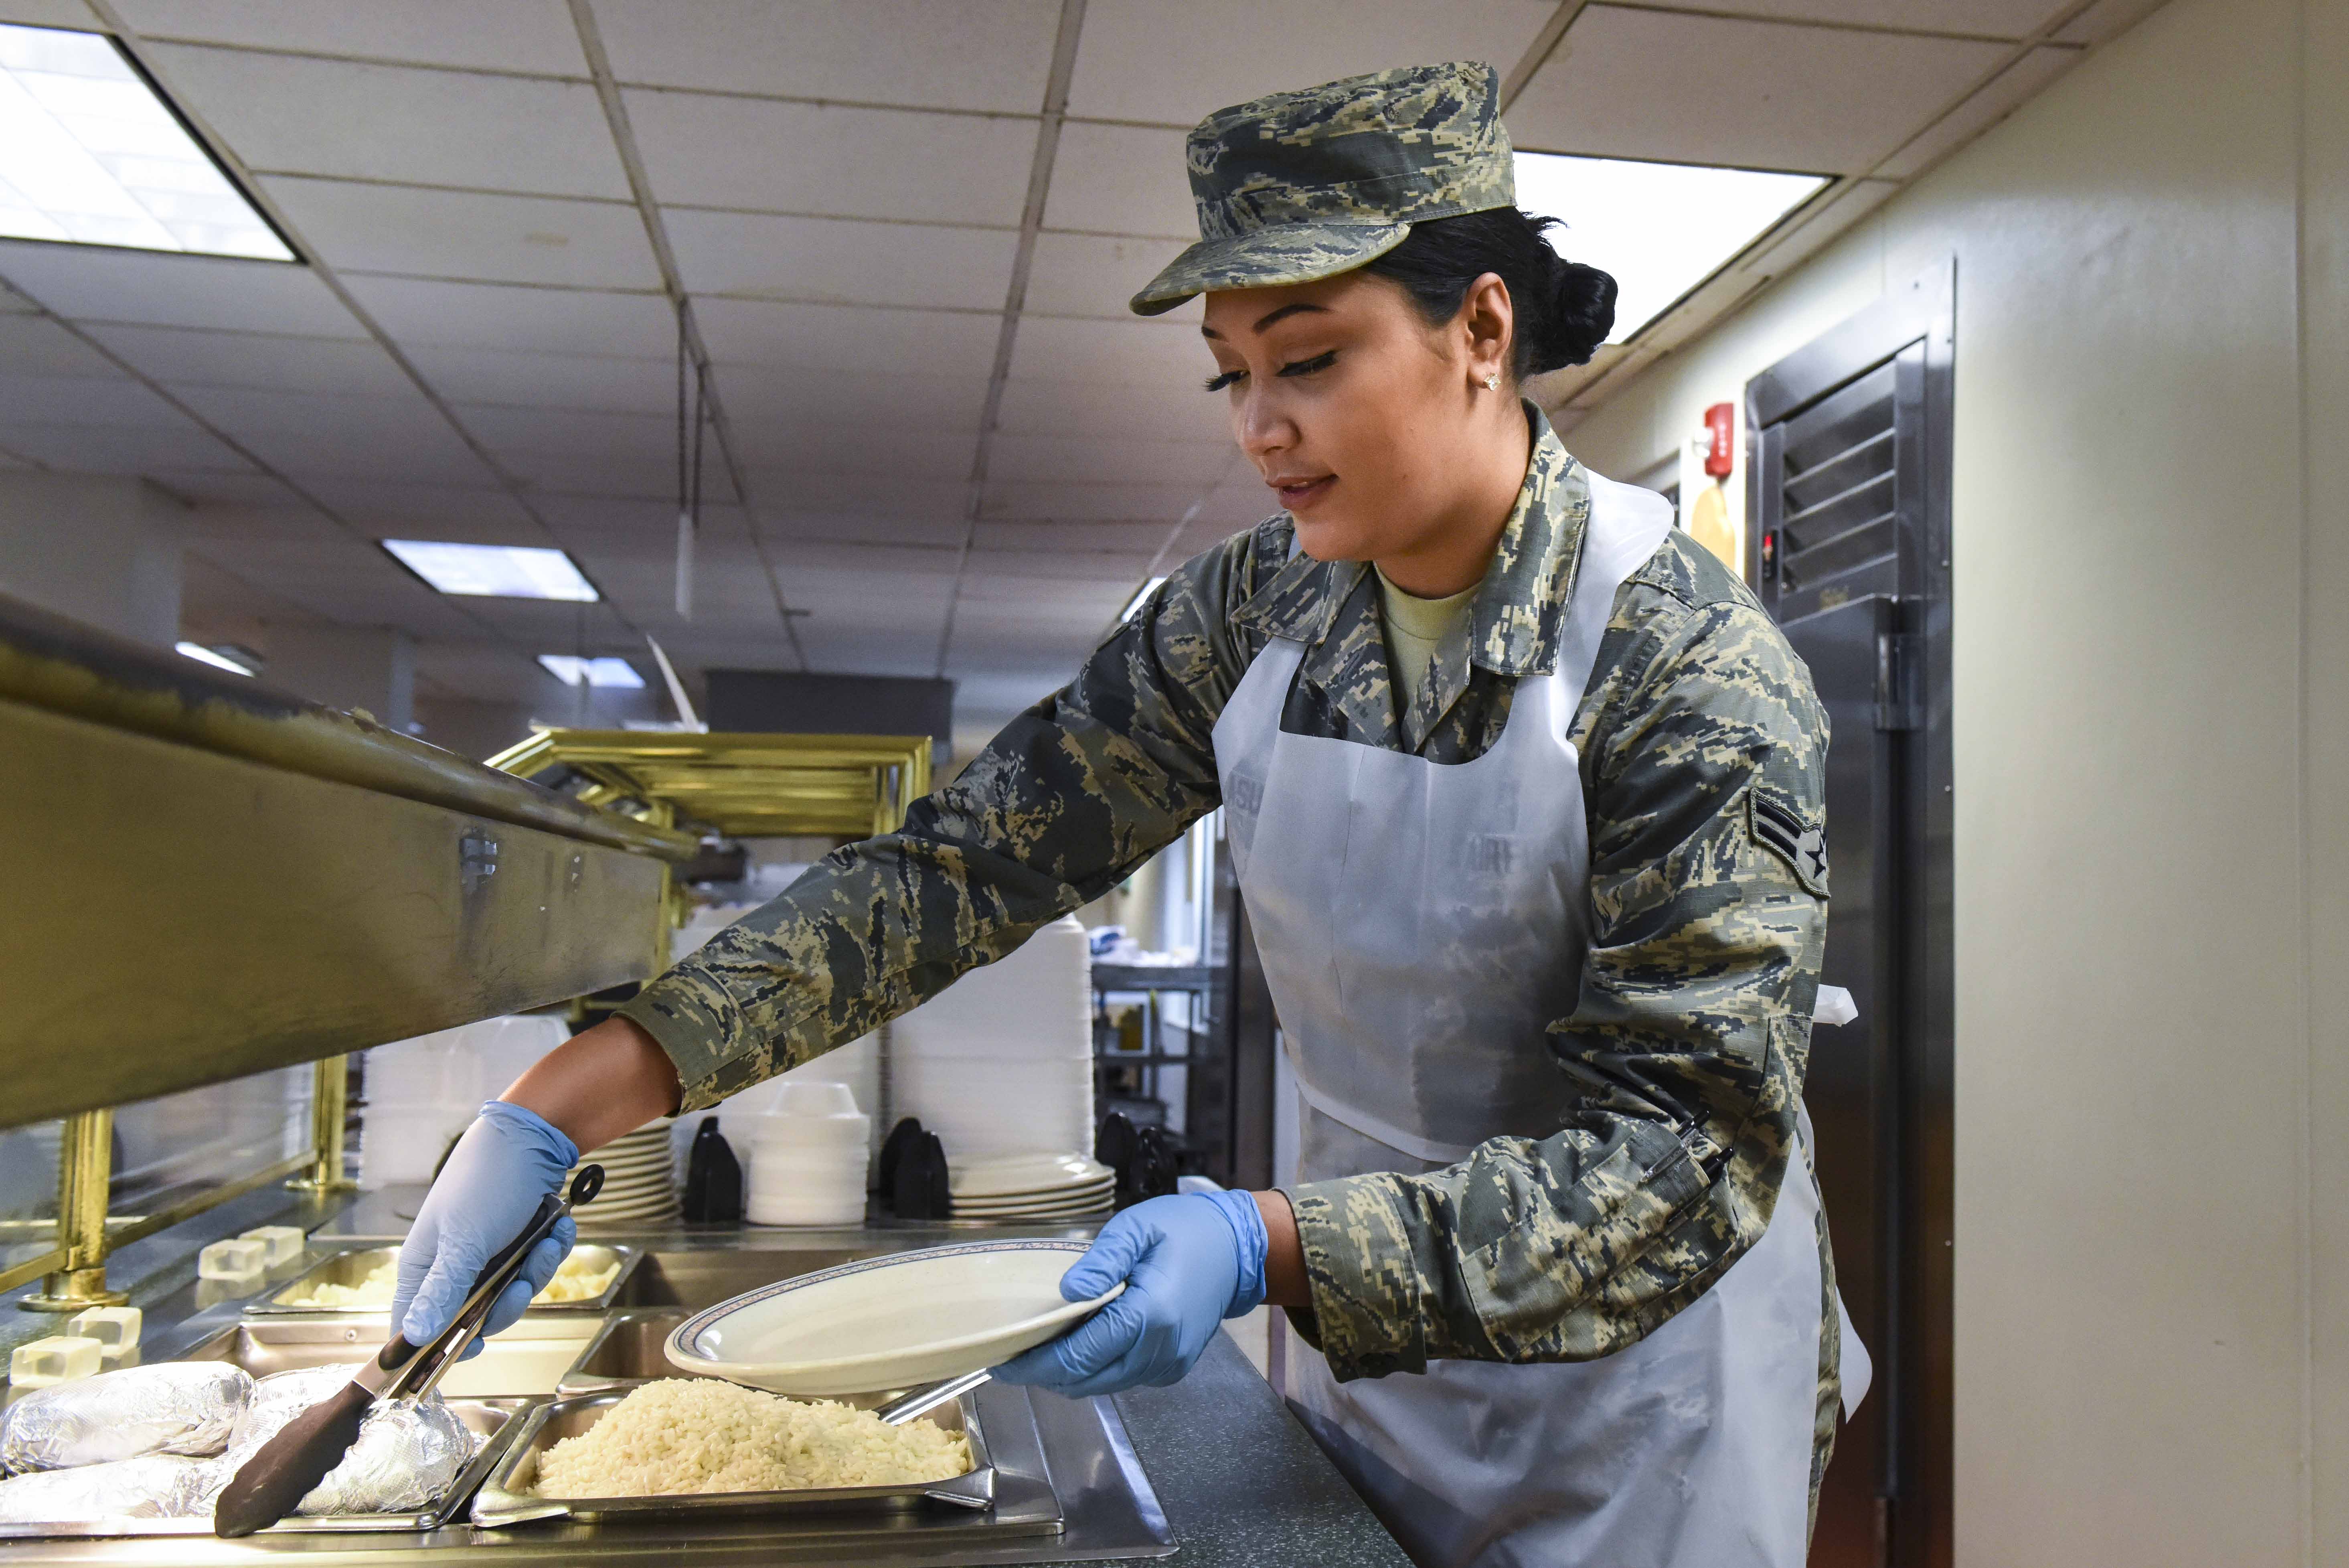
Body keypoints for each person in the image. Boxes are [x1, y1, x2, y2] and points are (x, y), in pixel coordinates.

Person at [390, 60, 1853, 1568]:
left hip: (1638, 1387)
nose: (1259, 427)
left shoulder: (1681, 667)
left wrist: (1260, 1241)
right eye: (1232, 374)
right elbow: (963, 867)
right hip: (1372, 1348)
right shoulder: (1251, 611)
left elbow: (1681, 1164)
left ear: (1481, 328)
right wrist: (580, 1091)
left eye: (1311, 360)